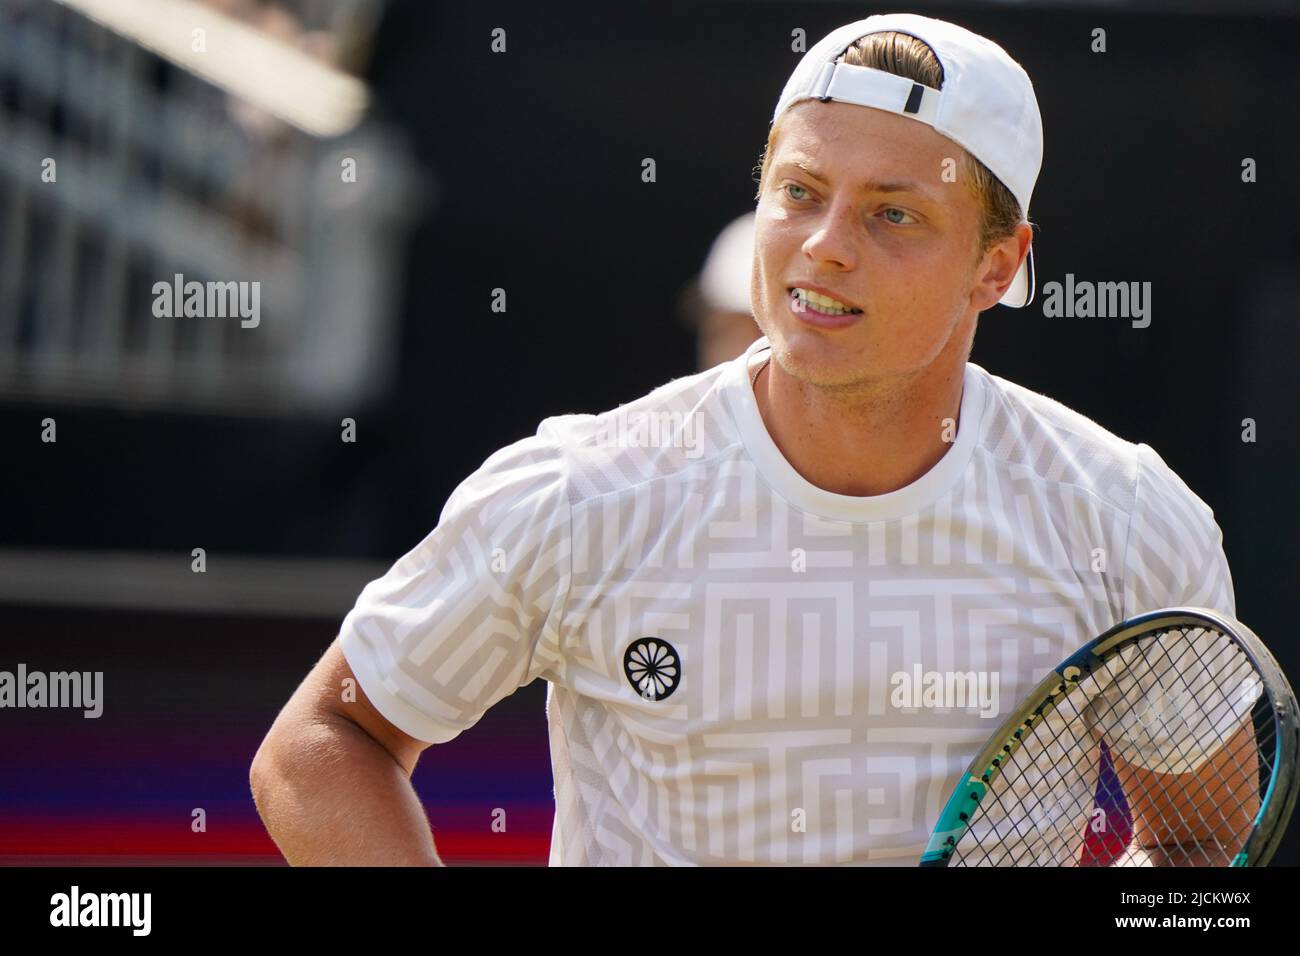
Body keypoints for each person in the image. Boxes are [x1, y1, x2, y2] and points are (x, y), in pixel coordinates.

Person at [250, 13, 1238, 866]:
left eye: (893, 213)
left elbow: (1201, 840)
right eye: (799, 193)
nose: (825, 245)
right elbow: (323, 740)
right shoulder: (582, 491)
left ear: (996, 264)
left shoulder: (1122, 516)